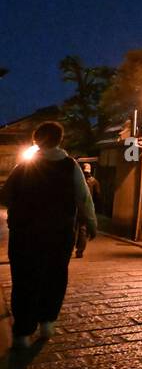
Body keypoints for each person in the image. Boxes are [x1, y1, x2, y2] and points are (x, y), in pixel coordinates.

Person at [0, 120, 97, 348]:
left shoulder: (23, 167)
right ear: (59, 139)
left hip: (25, 234)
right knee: (54, 277)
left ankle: (23, 333)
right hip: (59, 233)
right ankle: (47, 322)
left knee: (24, 280)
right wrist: (91, 223)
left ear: (36, 140)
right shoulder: (70, 166)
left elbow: (5, 195)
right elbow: (83, 198)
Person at [75, 166, 101, 257]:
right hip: (86, 208)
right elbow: (97, 196)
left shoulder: (78, 180)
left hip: (75, 207)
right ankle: (80, 251)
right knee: (83, 229)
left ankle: (70, 248)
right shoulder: (94, 181)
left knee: (73, 229)